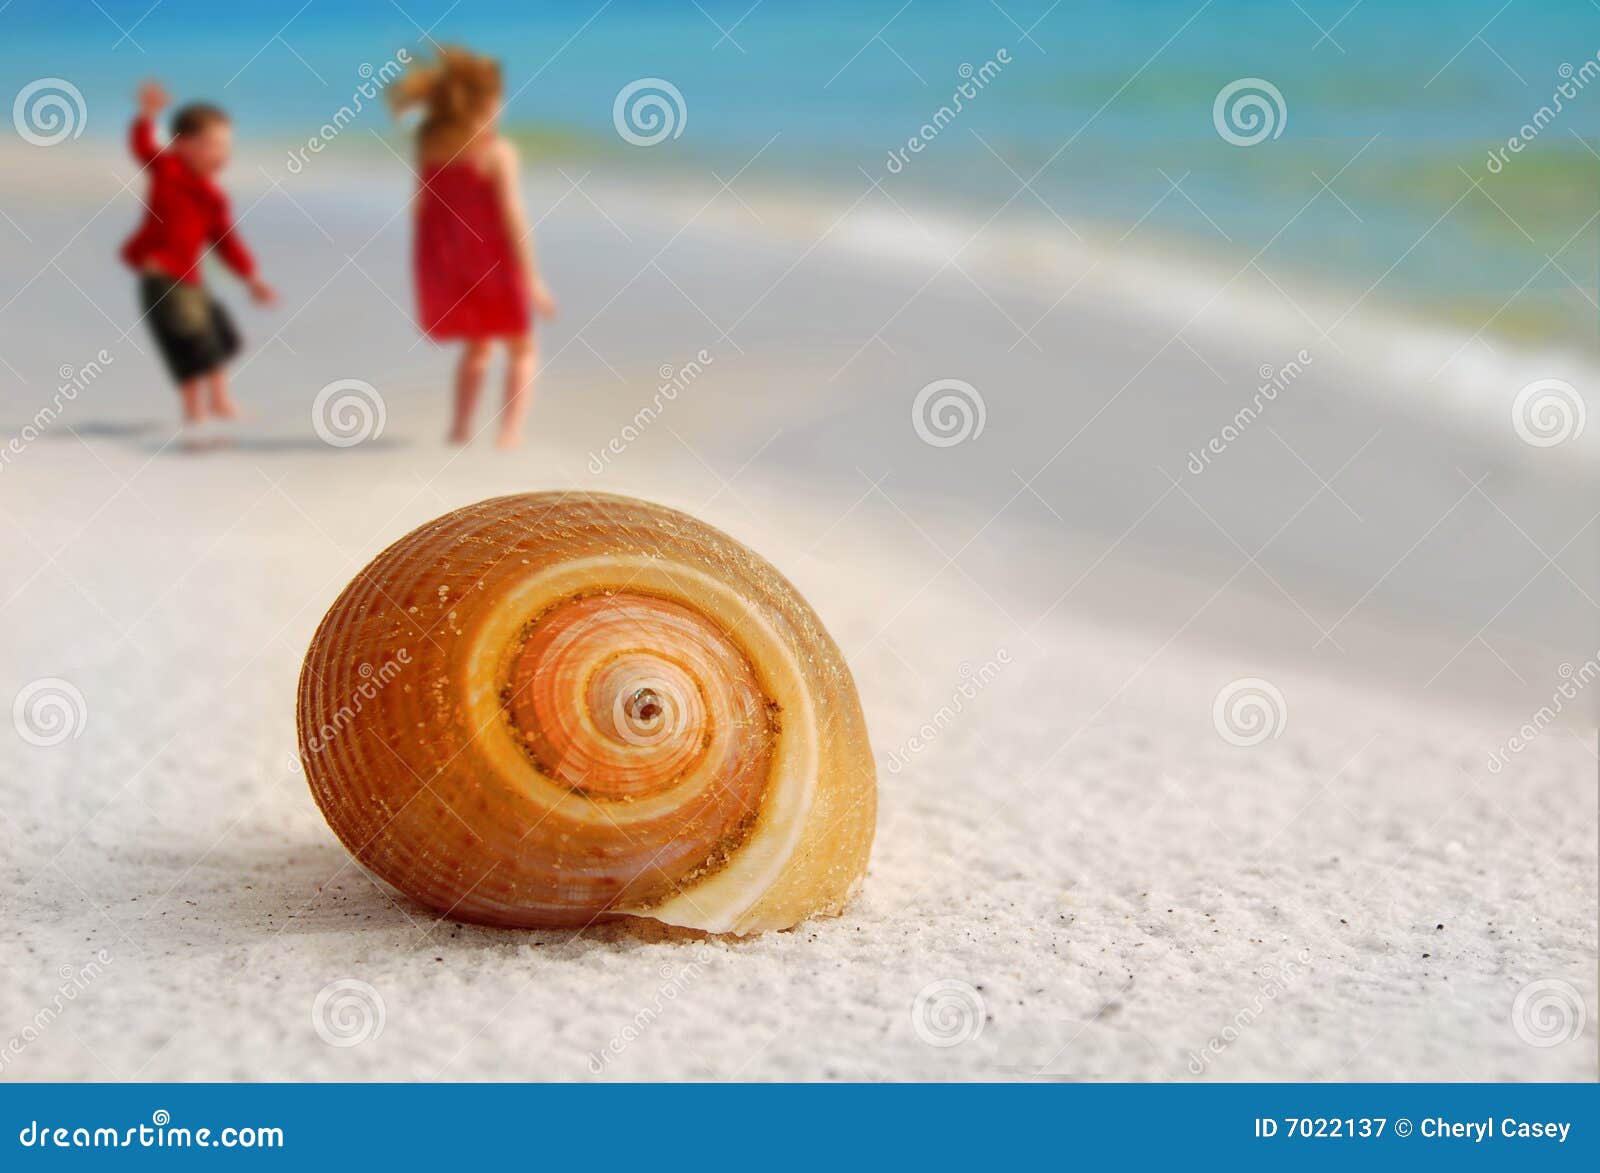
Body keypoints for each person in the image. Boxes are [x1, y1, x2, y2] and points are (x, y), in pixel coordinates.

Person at [389, 47, 557, 448]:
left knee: (478, 346)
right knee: (522, 347)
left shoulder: (432, 151)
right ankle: (509, 432)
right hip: (495, 264)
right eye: (499, 98)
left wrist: (437, 263)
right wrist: (532, 279)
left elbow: (420, 208)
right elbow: (512, 216)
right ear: (486, 103)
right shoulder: (497, 153)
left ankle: (461, 428)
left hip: (455, 263)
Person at [121, 81, 276, 441]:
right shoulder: (168, 170)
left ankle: (218, 402)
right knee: (188, 340)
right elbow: (142, 146)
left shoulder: (212, 197)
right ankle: (196, 411)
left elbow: (226, 241)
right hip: (162, 278)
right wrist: (148, 114)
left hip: (190, 279)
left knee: (222, 336)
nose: (223, 154)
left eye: (227, 146)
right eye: (214, 145)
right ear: (182, 144)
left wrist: (252, 278)